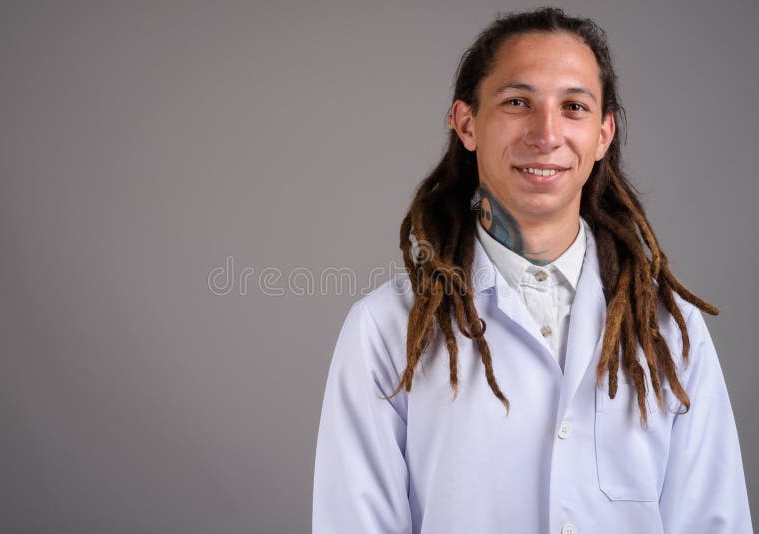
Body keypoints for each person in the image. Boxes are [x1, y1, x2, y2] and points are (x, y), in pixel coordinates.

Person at [312, 7, 752, 534]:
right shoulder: (385, 330)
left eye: (573, 107)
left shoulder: (669, 330)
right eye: (518, 102)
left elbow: (713, 521)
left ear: (603, 135)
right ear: (467, 123)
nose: (546, 134)